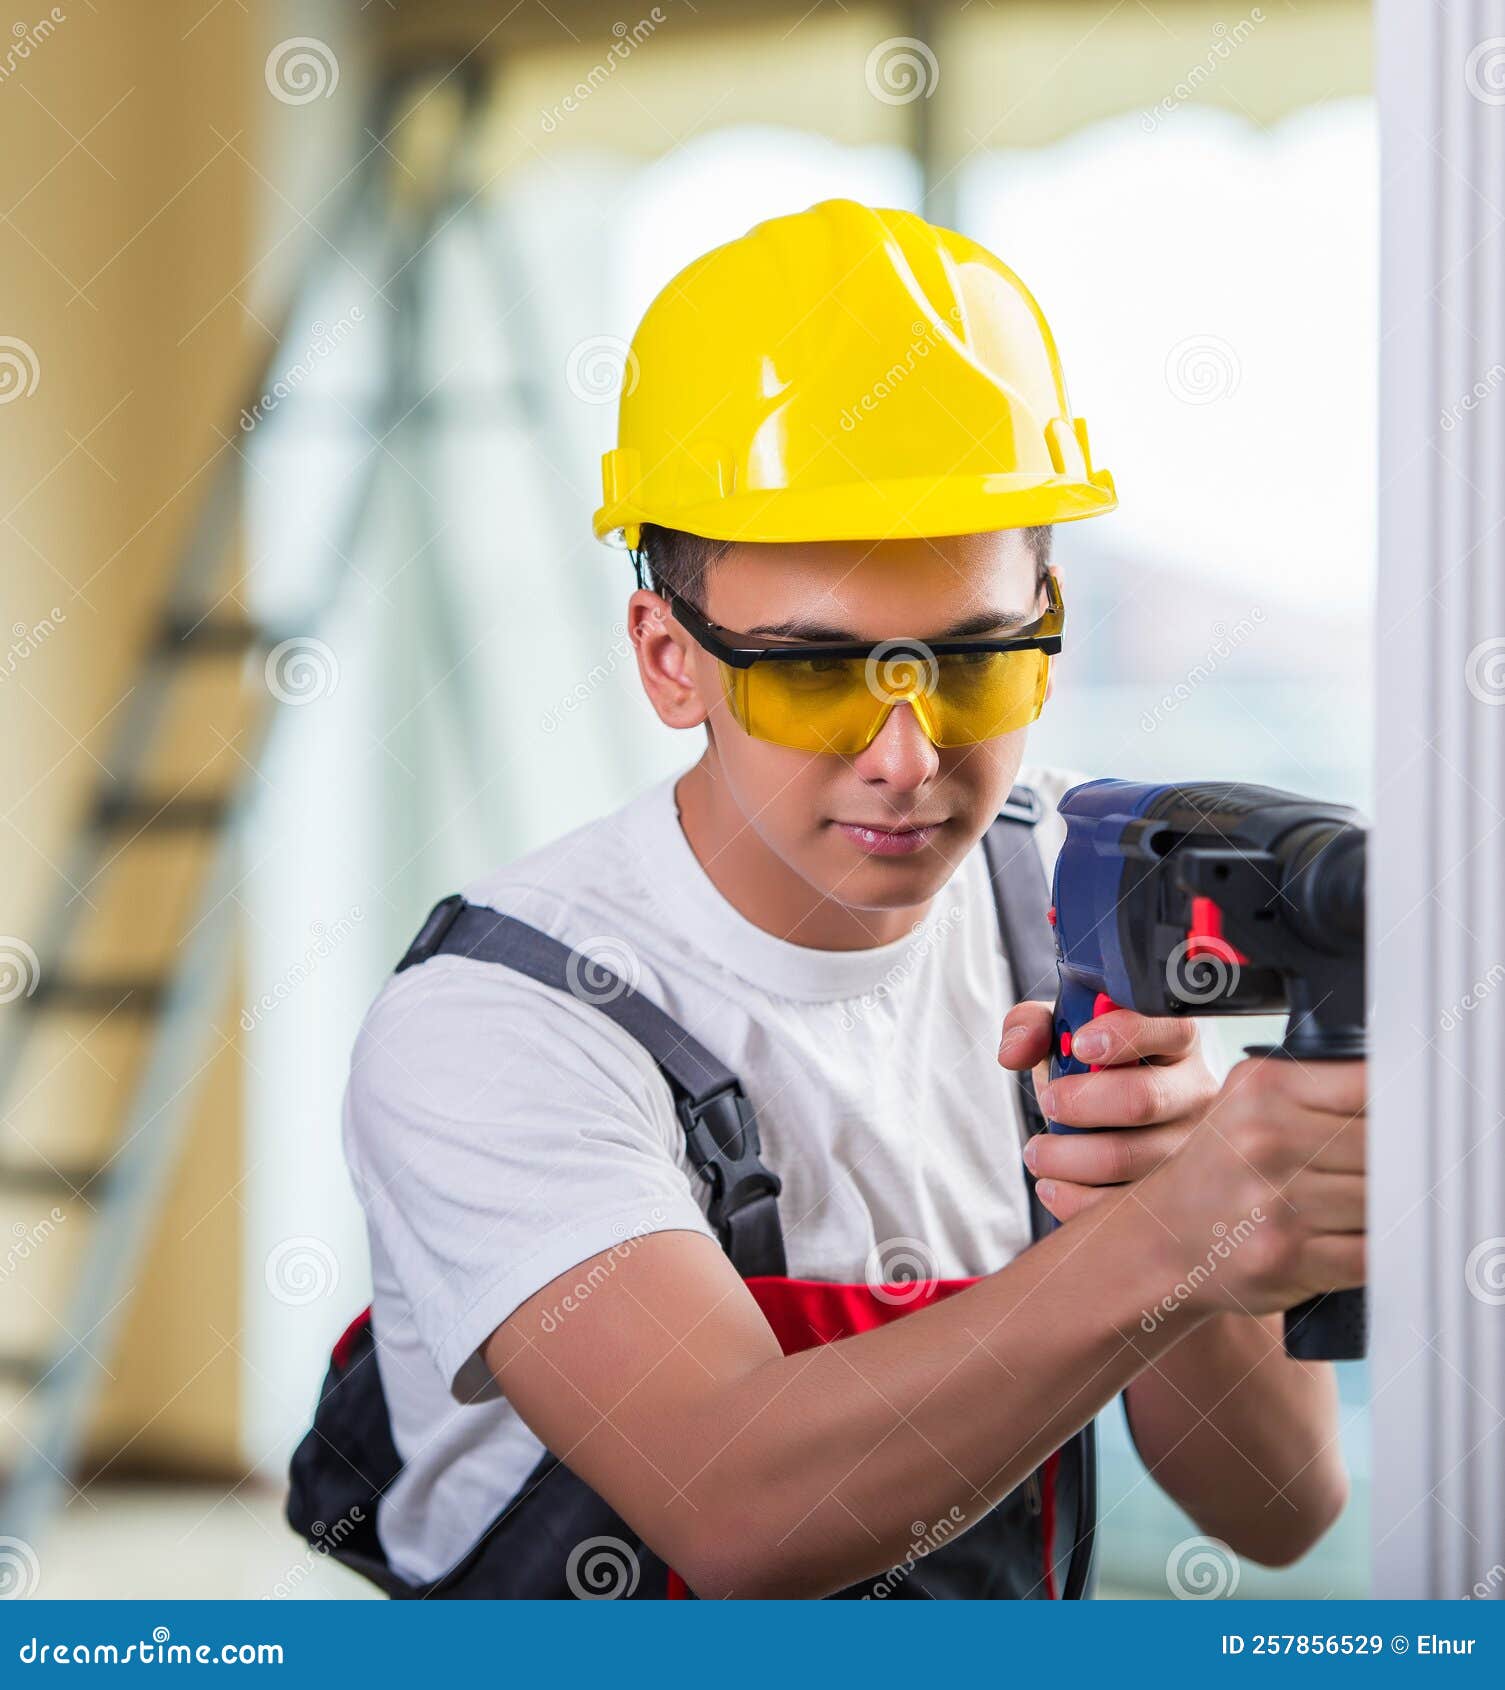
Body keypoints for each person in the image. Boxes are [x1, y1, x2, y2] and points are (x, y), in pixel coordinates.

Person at [333, 200, 1364, 1600]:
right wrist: (1166, 1240)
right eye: (815, 671)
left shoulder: (1074, 897)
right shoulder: (496, 1016)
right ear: (667, 656)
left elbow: (1278, 1505)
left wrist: (1179, 1204)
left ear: (1047, 626)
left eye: (974, 660)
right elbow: (740, 1510)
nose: (907, 757)